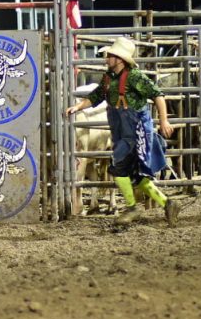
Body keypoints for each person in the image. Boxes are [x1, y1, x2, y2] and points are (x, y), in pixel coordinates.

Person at [63, 36, 179, 226]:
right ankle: (167, 203)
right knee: (132, 174)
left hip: (136, 131)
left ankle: (134, 207)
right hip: (121, 132)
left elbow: (158, 95)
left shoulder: (135, 77)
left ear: (120, 59)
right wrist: (79, 107)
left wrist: (164, 120)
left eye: (110, 55)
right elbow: (97, 96)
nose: (106, 58)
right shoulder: (109, 78)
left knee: (123, 171)